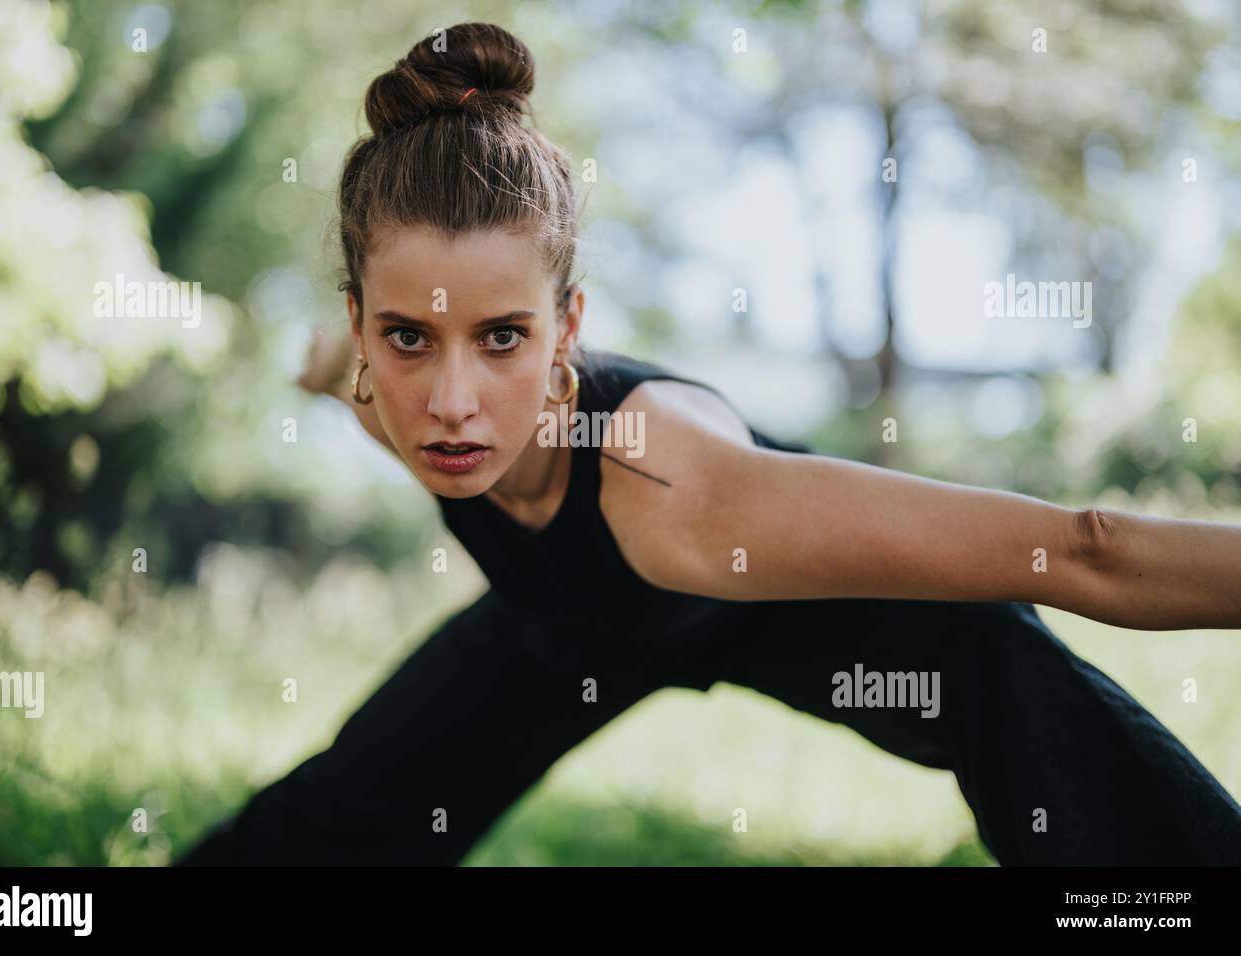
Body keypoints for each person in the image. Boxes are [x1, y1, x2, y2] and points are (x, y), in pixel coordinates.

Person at [175, 22, 1241, 866]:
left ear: (568, 331)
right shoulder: (378, 392)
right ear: (362, 326)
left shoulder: (670, 475)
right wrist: (316, 366)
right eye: (408, 335)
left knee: (1003, 665)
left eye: (503, 336)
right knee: (335, 814)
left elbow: (1086, 544)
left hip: (786, 614)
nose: (451, 401)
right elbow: (332, 366)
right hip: (563, 622)